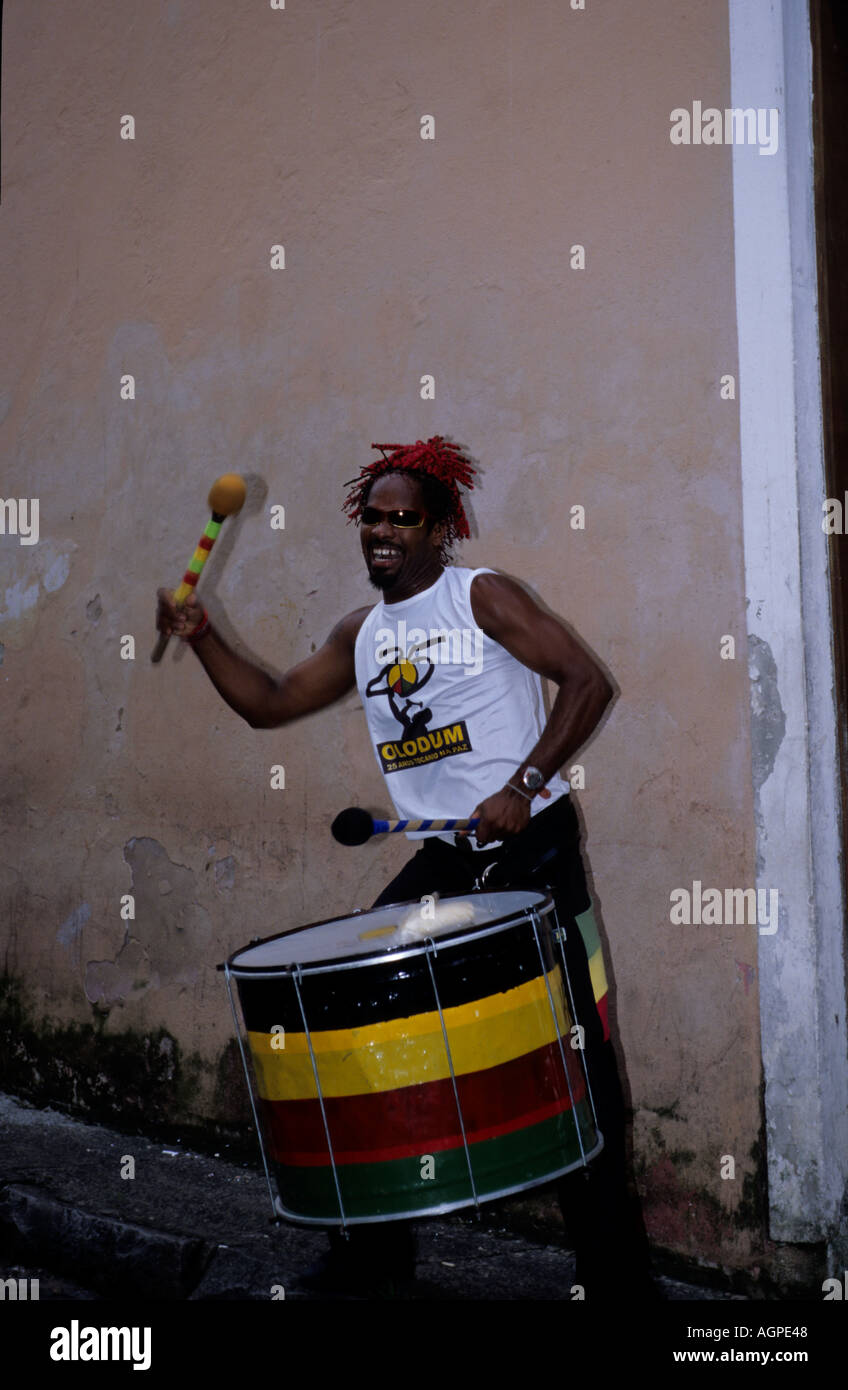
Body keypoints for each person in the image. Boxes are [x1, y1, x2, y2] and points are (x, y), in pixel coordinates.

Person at [156, 436, 653, 1298]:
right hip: (446, 857)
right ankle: (370, 1260)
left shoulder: (481, 597)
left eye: (402, 518)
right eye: (372, 517)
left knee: (570, 1058)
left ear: (438, 529)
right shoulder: (363, 632)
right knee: (348, 1015)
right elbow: (270, 705)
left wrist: (522, 784)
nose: (382, 531)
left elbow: (586, 682)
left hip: (531, 856)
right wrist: (202, 637)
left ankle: (616, 1282)